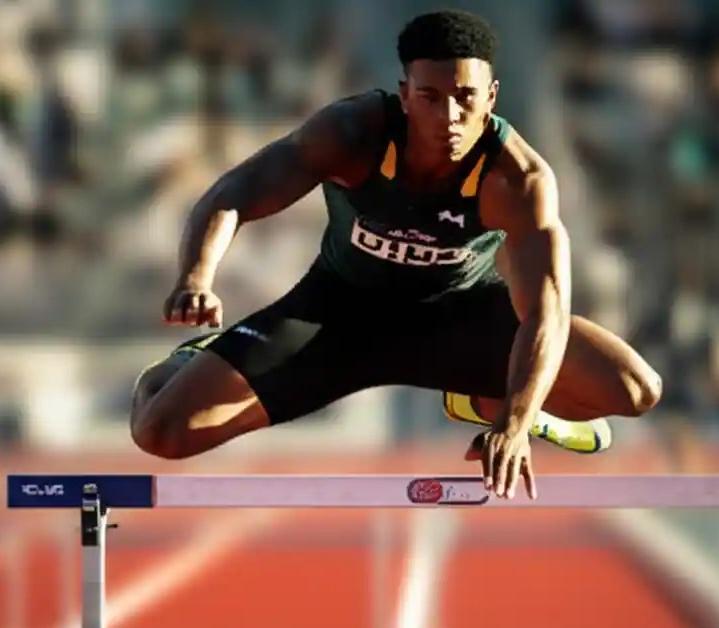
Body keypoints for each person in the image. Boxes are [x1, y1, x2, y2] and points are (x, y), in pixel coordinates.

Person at [130, 10, 662, 501]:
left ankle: (483, 403)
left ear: (492, 97)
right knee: (160, 430)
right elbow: (238, 191)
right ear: (405, 95)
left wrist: (516, 424)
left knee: (635, 388)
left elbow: (545, 311)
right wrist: (197, 275)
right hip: (336, 316)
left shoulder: (516, 179)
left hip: (456, 317)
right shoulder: (352, 134)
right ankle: (198, 355)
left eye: (466, 98)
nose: (450, 116)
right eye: (431, 97)